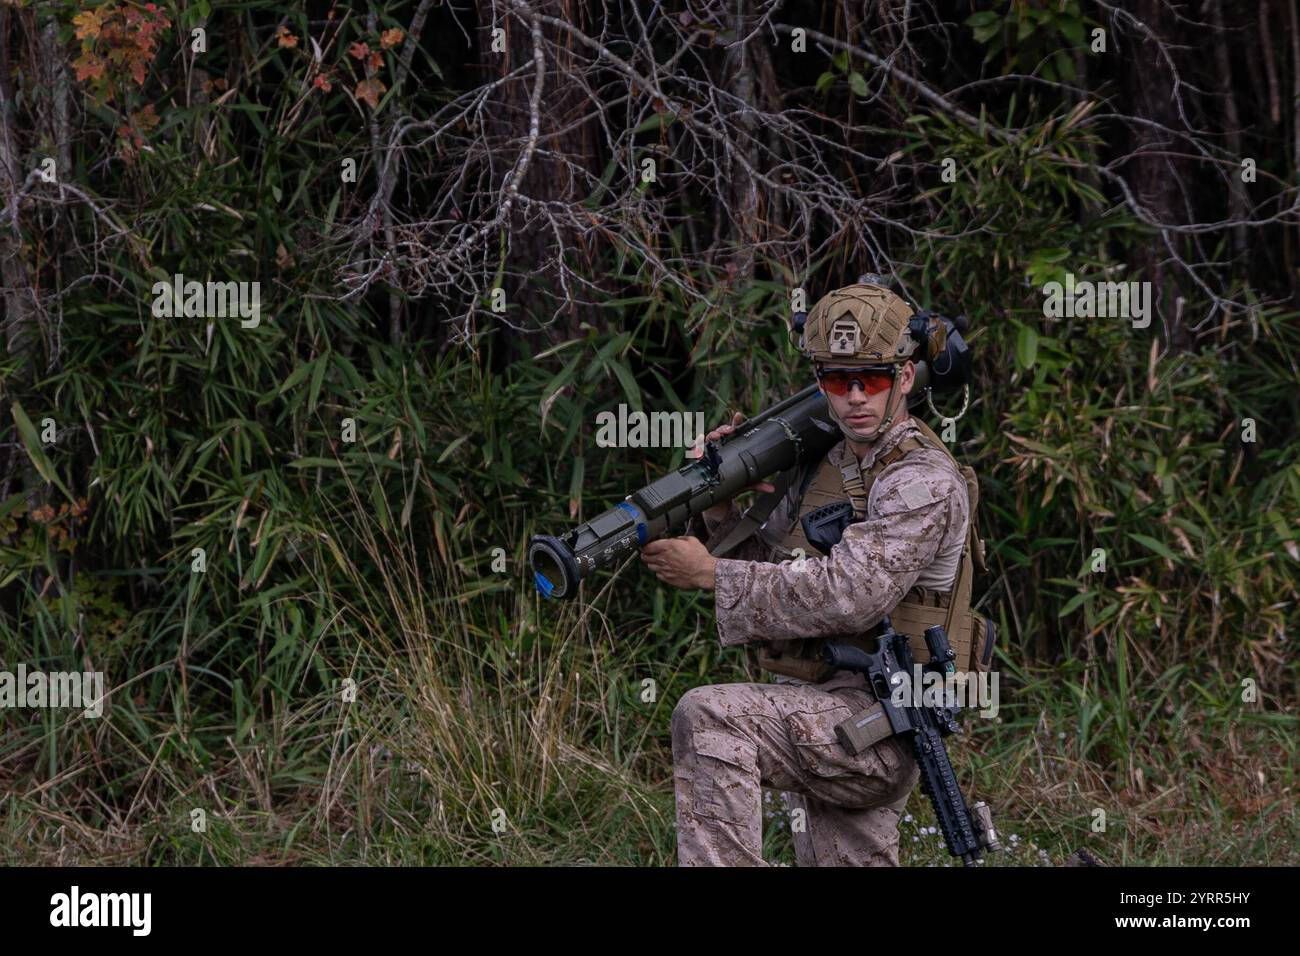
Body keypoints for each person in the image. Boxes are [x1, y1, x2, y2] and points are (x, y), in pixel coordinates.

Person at [640, 281, 973, 866]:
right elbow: (780, 576)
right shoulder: (829, 462)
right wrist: (721, 504)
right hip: (829, 706)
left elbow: (850, 595)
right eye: (834, 381)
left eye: (869, 379)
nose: (852, 398)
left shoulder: (923, 481)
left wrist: (712, 575)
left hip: (879, 725)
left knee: (709, 715)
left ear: (904, 378)